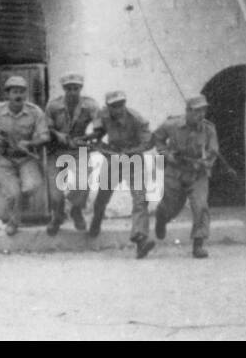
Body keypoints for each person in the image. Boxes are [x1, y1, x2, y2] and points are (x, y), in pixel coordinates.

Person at [87, 91, 155, 259]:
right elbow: (98, 133)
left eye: (121, 105)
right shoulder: (102, 114)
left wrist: (131, 152)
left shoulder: (136, 119)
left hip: (133, 159)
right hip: (114, 157)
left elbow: (148, 142)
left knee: (140, 199)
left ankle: (141, 240)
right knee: (103, 196)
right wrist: (94, 142)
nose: (118, 109)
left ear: (125, 104)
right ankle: (97, 219)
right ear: (108, 107)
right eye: (114, 106)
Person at [0, 75, 50, 236]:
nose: (19, 96)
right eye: (15, 92)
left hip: (26, 157)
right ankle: (13, 221)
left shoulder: (35, 112)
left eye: (22, 92)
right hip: (4, 157)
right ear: (7, 95)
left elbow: (45, 136)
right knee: (13, 193)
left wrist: (30, 143)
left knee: (32, 186)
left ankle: (20, 202)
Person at [152, 94, 219, 259]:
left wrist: (204, 163)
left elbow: (213, 152)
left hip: (197, 174)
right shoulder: (172, 125)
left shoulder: (209, 129)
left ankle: (198, 244)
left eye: (203, 110)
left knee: (200, 206)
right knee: (171, 207)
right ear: (187, 111)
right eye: (197, 111)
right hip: (174, 172)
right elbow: (157, 139)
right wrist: (167, 155)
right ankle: (161, 218)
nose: (201, 114)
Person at [44, 73, 99, 235]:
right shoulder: (53, 105)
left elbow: (99, 128)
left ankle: (76, 210)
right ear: (64, 89)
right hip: (56, 150)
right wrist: (58, 135)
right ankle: (57, 216)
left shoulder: (90, 105)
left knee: (84, 182)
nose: (72, 92)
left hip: (78, 148)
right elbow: (46, 127)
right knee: (55, 193)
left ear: (81, 88)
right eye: (69, 89)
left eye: (76, 88)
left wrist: (86, 138)